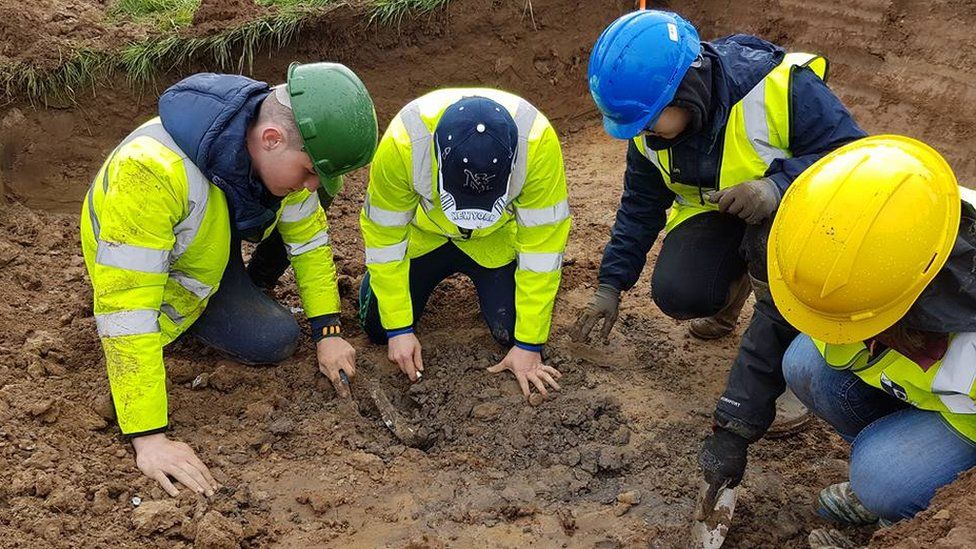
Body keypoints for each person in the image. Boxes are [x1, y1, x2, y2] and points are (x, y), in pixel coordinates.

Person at [570, 9, 867, 490]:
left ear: (684, 89)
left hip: (801, 219)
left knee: (780, 257)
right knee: (680, 292)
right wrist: (610, 284)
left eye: (650, 121)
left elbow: (855, 156)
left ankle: (793, 370)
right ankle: (730, 301)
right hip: (722, 215)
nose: (644, 133)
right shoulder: (648, 128)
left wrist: (777, 186)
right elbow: (640, 207)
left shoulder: (778, 87)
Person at [80, 63, 377, 497]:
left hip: (209, 240)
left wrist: (328, 331)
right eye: (309, 171)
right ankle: (203, 313)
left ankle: (249, 283)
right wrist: (149, 438)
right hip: (164, 270)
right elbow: (125, 308)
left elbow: (309, 242)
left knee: (282, 315)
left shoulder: (265, 146)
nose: (312, 186)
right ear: (271, 139)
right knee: (271, 338)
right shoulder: (149, 173)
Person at [770, 136, 976, 525]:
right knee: (805, 363)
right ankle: (892, 479)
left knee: (883, 480)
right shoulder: (899, 216)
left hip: (968, 418)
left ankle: (910, 510)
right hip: (926, 384)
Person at [358, 89, 570, 398]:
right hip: (425, 238)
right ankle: (384, 304)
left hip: (492, 242)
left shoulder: (537, 146)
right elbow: (384, 238)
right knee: (379, 327)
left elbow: (542, 249)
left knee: (512, 332)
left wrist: (528, 344)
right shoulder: (404, 142)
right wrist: (399, 329)